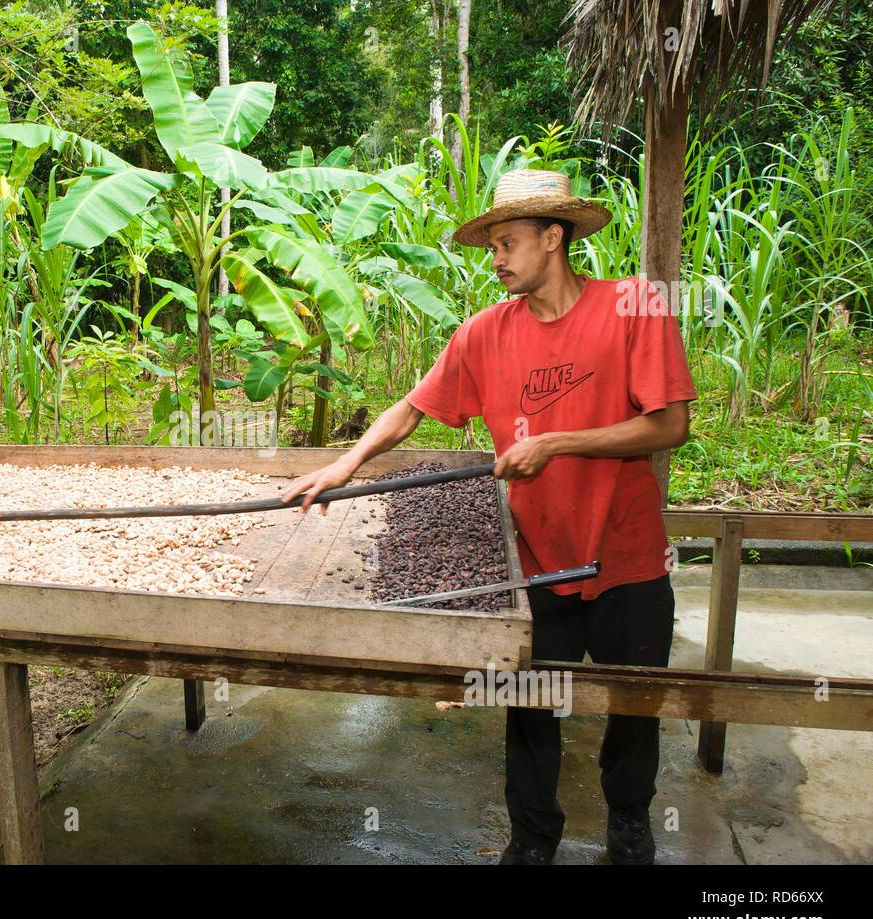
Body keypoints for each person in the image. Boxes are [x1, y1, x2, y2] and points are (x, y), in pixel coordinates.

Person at [280, 168, 698, 865]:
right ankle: (533, 838)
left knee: (632, 699)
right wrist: (343, 465)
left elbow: (670, 424)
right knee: (530, 705)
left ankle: (629, 820)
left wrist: (555, 442)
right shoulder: (484, 333)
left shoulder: (634, 307)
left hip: (626, 553)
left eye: (508, 242)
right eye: (492, 245)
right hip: (533, 555)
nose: (497, 258)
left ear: (554, 237)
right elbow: (412, 407)